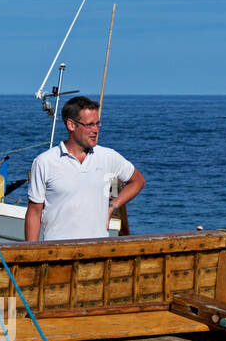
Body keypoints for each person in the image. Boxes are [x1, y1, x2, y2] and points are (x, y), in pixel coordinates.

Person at [25, 96, 144, 241]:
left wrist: (112, 207)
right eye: (89, 125)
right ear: (71, 125)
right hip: (57, 252)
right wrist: (32, 253)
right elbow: (34, 213)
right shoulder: (44, 162)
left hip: (97, 251)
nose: (96, 130)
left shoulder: (108, 157)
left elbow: (137, 181)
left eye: (97, 124)